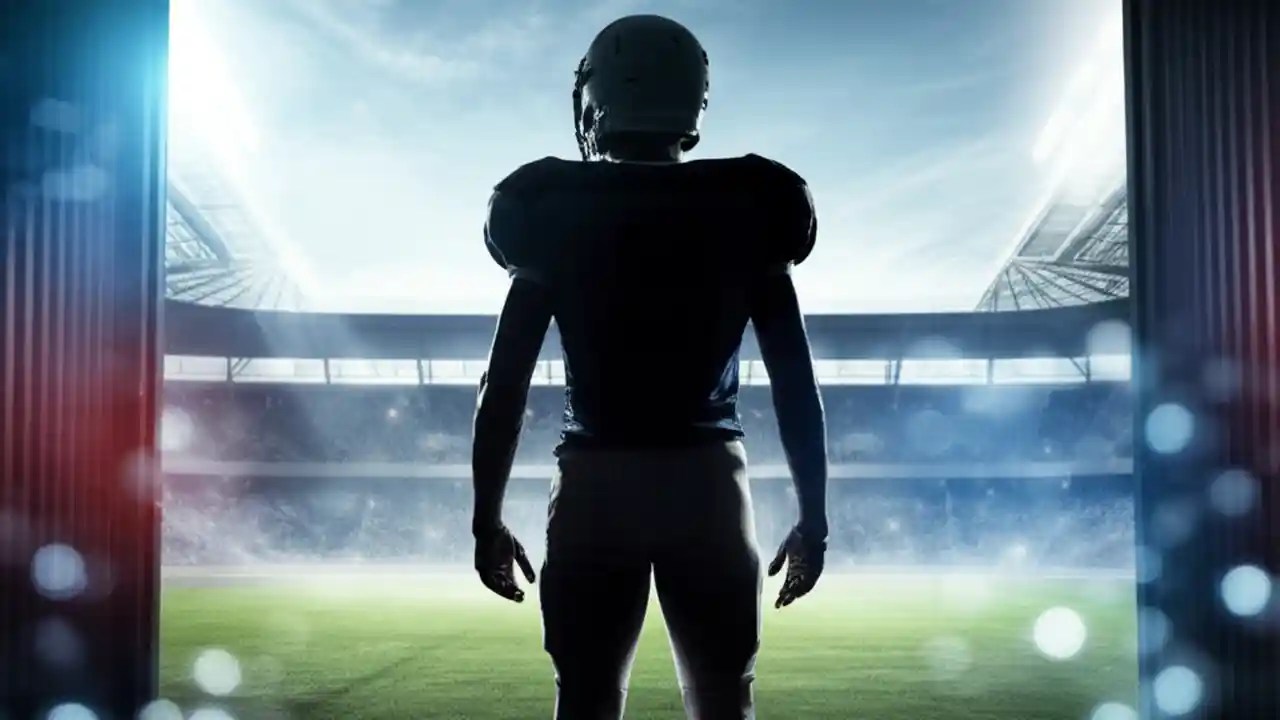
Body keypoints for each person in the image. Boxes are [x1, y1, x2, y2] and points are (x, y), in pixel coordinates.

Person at [470, 14, 829, 720]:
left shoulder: (550, 209)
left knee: (588, 700)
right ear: (693, 101)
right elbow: (795, 383)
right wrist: (814, 518)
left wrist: (485, 518)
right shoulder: (752, 207)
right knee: (725, 701)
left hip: (596, 480)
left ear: (595, 99)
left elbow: (503, 384)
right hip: (709, 481)